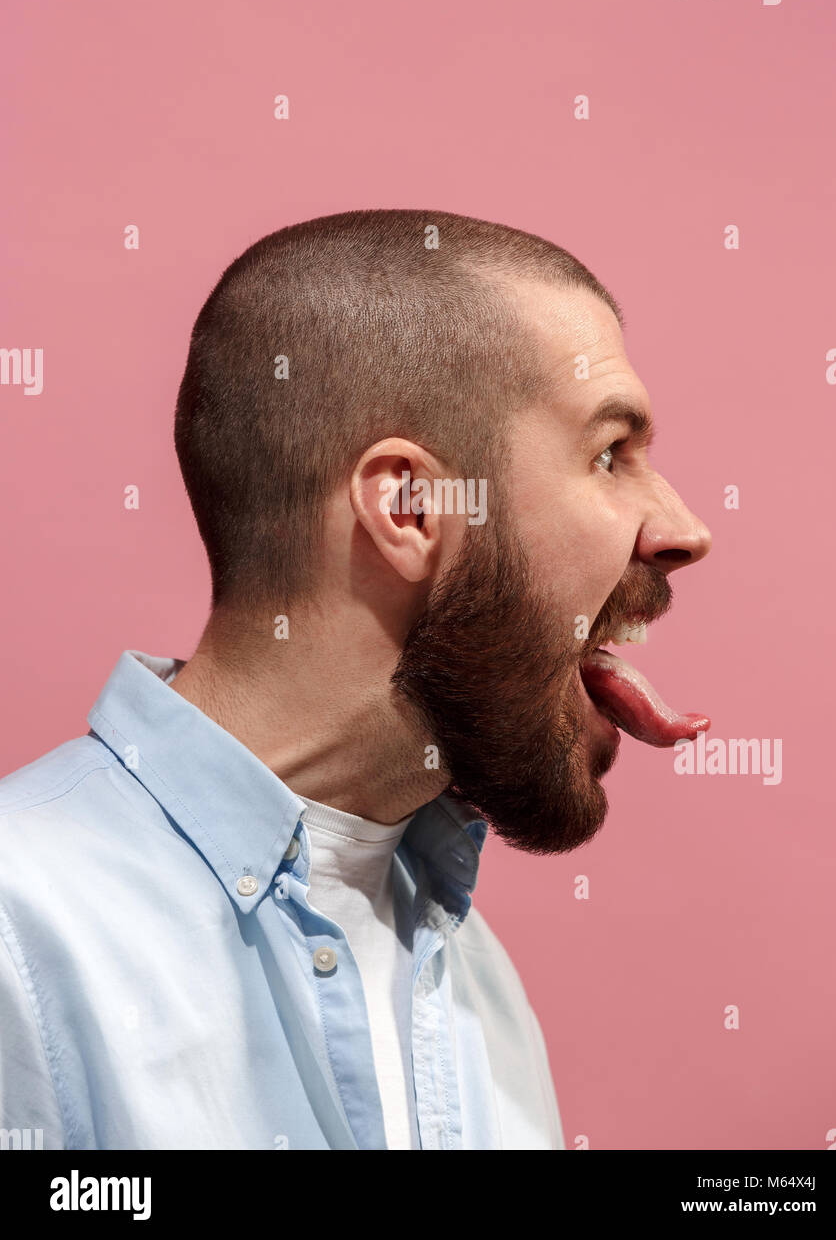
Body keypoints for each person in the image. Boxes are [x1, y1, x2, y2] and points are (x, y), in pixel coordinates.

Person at [0, 209, 711, 1150]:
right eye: (610, 454)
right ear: (410, 505)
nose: (683, 528)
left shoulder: (473, 981)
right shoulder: (21, 936)